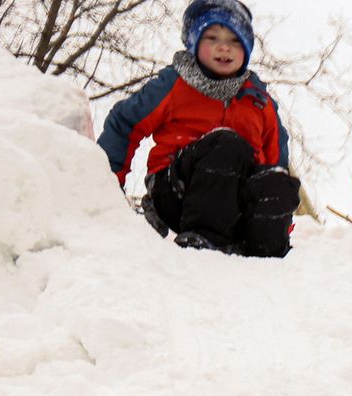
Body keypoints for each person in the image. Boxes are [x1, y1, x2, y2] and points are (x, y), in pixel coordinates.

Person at [96, 0, 300, 255]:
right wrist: (106, 184)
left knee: (277, 180)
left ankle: (264, 253)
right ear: (194, 43)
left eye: (235, 40)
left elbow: (275, 156)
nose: (224, 47)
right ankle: (203, 239)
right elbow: (125, 123)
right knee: (227, 144)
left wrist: (274, 210)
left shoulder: (258, 100)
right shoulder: (175, 84)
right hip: (176, 193)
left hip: (234, 203)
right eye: (212, 37)